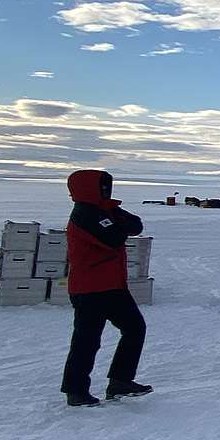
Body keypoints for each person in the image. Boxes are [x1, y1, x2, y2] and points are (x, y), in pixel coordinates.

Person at [61, 169, 150, 407]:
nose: (106, 190)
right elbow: (115, 237)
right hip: (89, 289)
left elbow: (136, 226)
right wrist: (115, 219)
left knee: (135, 329)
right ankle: (76, 390)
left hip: (112, 286)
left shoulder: (104, 210)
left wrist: (113, 213)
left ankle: (120, 381)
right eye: (102, 186)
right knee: (86, 340)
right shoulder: (84, 214)